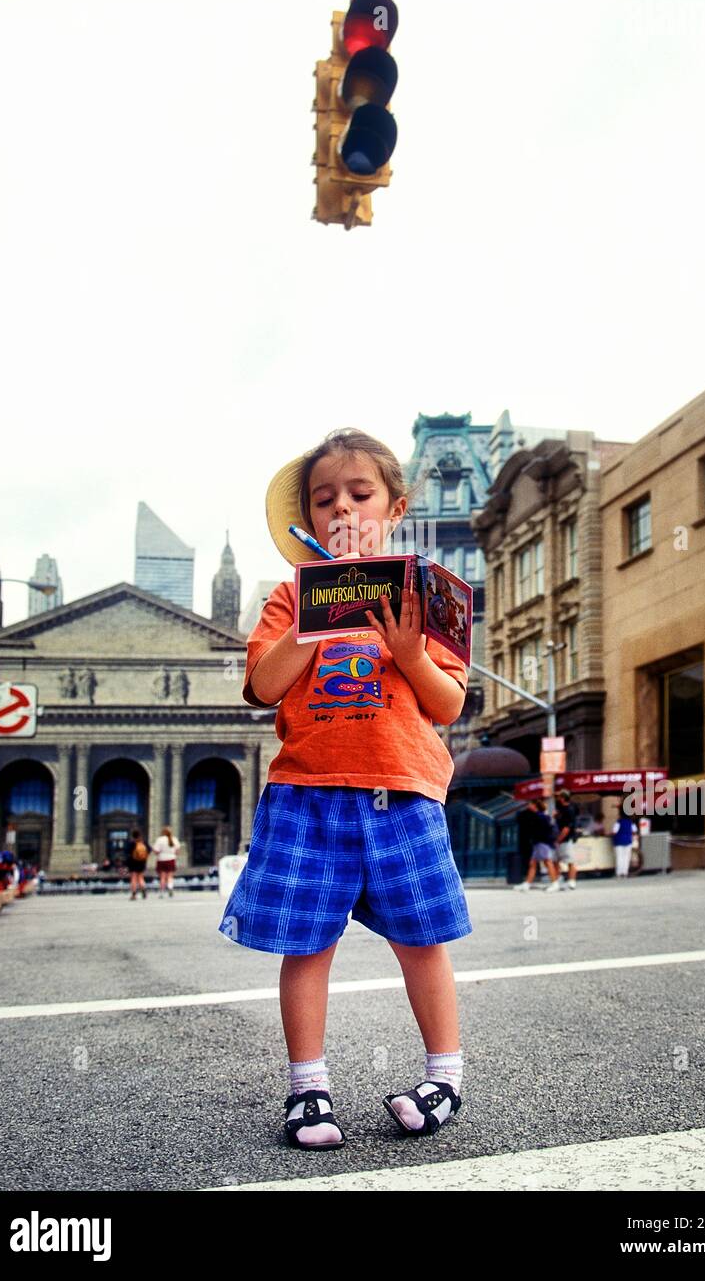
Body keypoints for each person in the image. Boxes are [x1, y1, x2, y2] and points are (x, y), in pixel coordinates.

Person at [218, 428, 473, 1150]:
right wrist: (312, 618)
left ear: (394, 507)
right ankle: (308, 1089)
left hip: (404, 787)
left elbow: (448, 704)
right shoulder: (286, 596)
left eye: (360, 495)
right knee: (306, 943)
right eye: (324, 500)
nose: (342, 510)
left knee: (421, 939)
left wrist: (404, 651)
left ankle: (444, 1075)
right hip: (308, 790)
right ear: (307, 518)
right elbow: (264, 686)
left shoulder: (428, 597)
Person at [514, 799, 561, 892]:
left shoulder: (539, 817)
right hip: (539, 842)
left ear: (535, 806)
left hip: (541, 842)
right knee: (533, 863)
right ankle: (527, 884)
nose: (528, 805)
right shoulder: (542, 816)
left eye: (530, 804)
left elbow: (541, 830)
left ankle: (555, 883)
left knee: (547, 862)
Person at [555, 789, 581, 889]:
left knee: (570, 860)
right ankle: (559, 877)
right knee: (556, 860)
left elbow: (566, 828)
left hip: (566, 838)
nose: (557, 798)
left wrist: (558, 839)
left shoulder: (569, 809)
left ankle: (572, 881)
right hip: (562, 838)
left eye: (559, 796)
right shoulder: (561, 808)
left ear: (562, 798)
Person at [152, 826, 180, 896]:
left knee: (162, 876)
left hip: (161, 859)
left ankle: (161, 891)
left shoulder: (159, 839)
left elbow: (156, 851)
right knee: (170, 876)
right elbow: (177, 851)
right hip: (171, 859)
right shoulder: (174, 839)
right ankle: (170, 887)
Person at [611, 805, 638, 878]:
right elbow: (635, 831)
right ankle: (625, 872)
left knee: (619, 857)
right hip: (628, 841)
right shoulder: (630, 822)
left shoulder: (618, 822)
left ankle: (619, 873)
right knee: (626, 857)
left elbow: (614, 832)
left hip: (619, 841)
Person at [125, 827, 150, 899]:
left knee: (133, 878)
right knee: (140, 877)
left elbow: (126, 852)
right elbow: (149, 850)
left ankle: (133, 894)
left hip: (133, 862)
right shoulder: (144, 843)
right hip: (142, 862)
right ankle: (144, 890)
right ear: (140, 835)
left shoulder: (131, 843)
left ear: (132, 836)